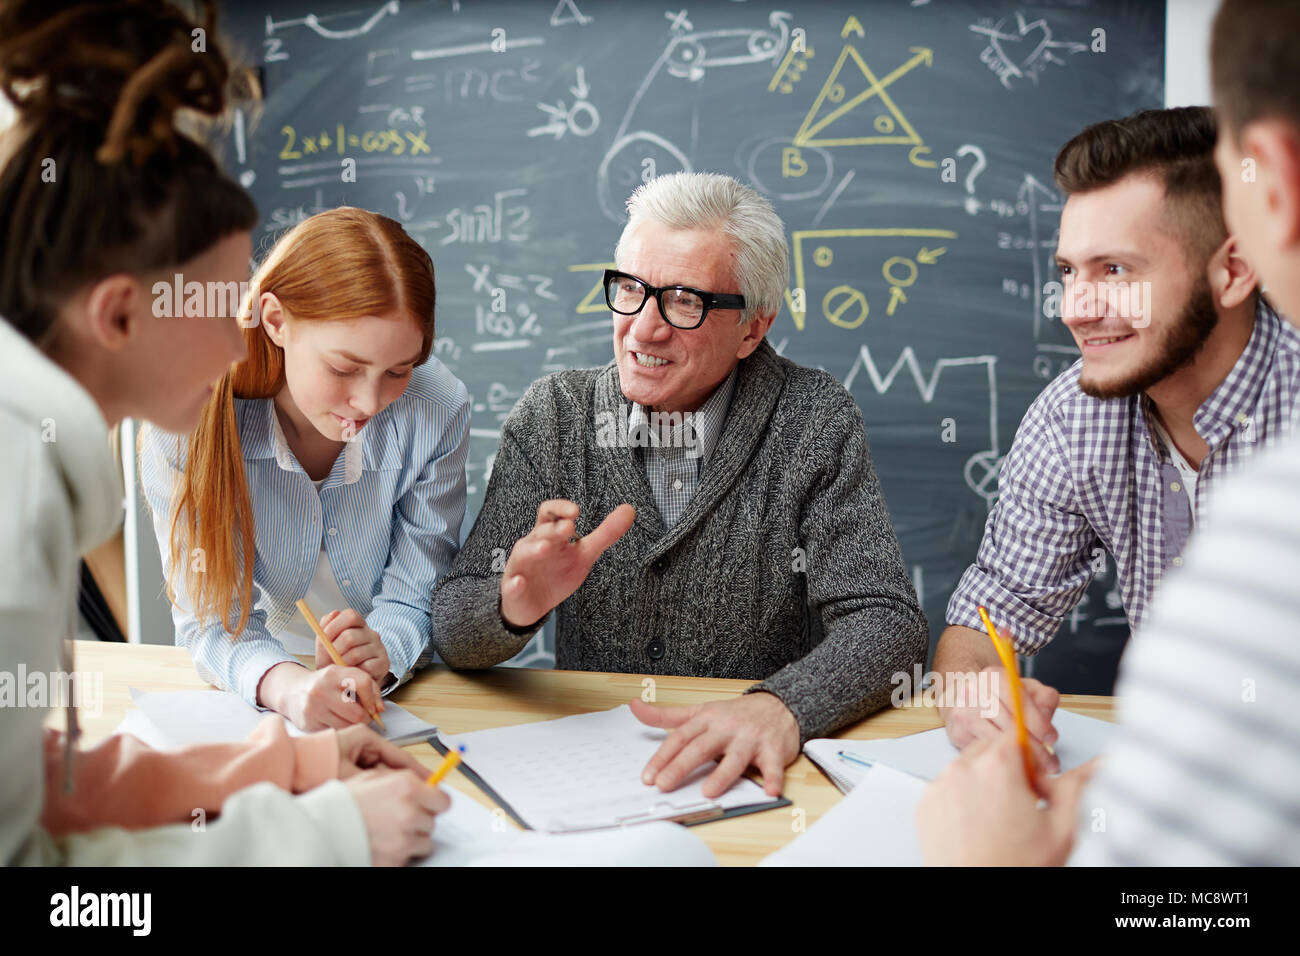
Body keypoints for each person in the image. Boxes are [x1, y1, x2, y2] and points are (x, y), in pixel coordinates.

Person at [0, 0, 445, 865]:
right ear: (121, 314)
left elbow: (38, 783)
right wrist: (325, 837)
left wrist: (280, 763)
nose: (242, 338)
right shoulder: (14, 501)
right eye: (218, 304)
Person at [917, 0, 1300, 866]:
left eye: (1116, 272)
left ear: (1233, 268)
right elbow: (986, 614)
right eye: (1067, 272)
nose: (1077, 310)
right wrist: (982, 697)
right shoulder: (1071, 416)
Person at [431, 171, 928, 798]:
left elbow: (888, 626)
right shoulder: (554, 416)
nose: (643, 329)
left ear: (753, 327)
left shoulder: (812, 419)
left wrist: (781, 707)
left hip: (747, 772)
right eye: (631, 290)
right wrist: (512, 605)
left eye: (684, 302)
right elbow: (453, 626)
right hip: (590, 775)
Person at [139, 207, 470, 732]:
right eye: (343, 368)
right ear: (275, 321)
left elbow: (417, 587)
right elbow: (212, 621)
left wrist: (379, 652)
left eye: (398, 371)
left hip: (392, 690)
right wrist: (290, 688)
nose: (367, 401)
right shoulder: (187, 418)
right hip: (255, 691)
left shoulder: (437, 406)